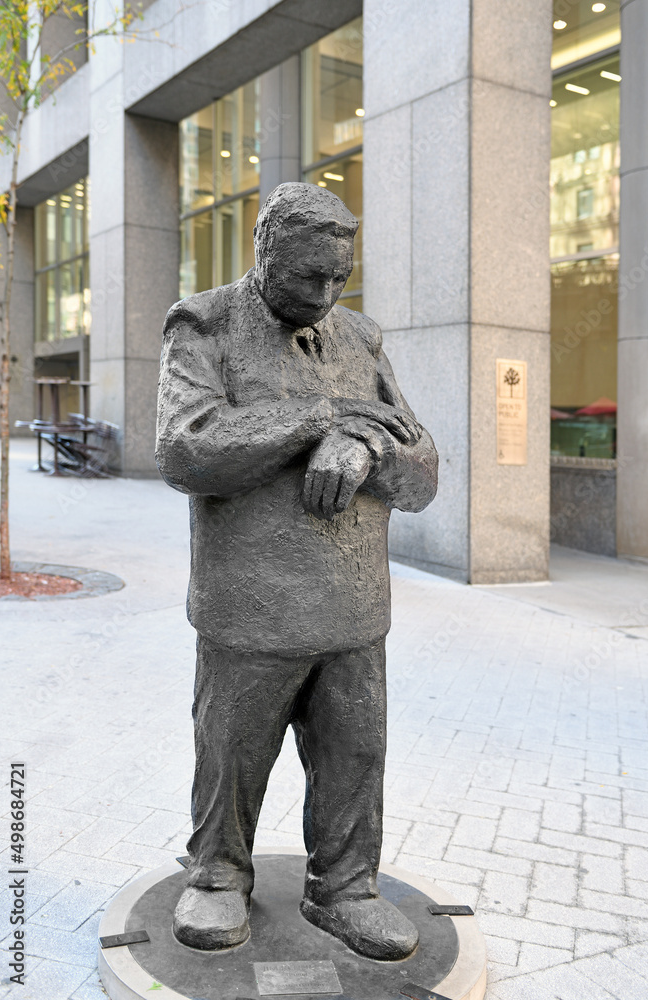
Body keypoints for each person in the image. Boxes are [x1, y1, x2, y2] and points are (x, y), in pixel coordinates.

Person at [155, 183, 438, 960]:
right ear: (264, 251)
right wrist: (320, 417)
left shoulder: (362, 339)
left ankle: (345, 887)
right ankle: (217, 875)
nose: (323, 294)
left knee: (355, 756)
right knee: (232, 752)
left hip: (353, 608)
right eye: (307, 276)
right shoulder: (205, 324)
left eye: (337, 277)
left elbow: (420, 467)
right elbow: (185, 448)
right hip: (249, 606)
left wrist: (366, 445)